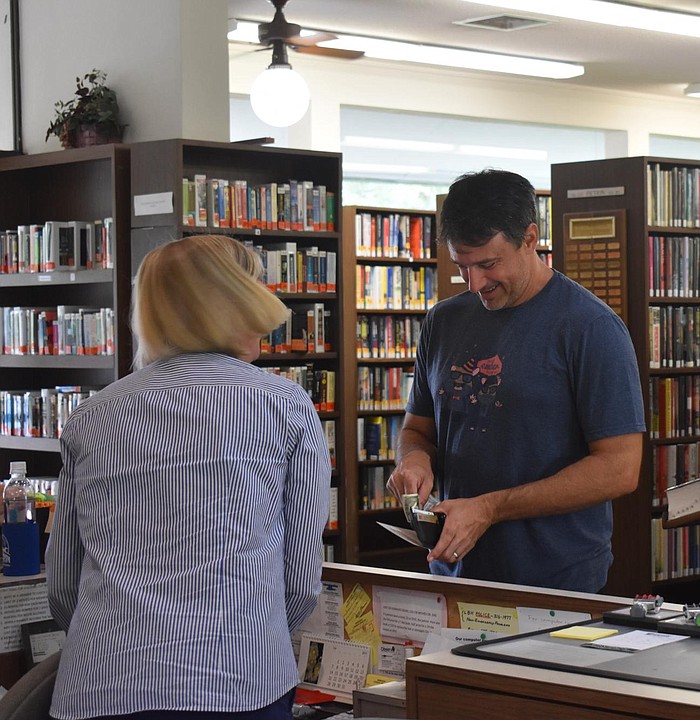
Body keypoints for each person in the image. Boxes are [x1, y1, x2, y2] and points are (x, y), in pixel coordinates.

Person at [46, 235, 331, 720]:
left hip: (99, 682)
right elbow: (301, 577)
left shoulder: (91, 416)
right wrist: (250, 635)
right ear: (231, 304)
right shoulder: (282, 405)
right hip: (239, 680)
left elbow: (63, 584)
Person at [386, 169, 645, 593]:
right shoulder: (443, 321)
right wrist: (413, 460)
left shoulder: (590, 328)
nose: (475, 283)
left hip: (555, 579)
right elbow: (418, 430)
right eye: (462, 266)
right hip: (454, 569)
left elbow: (619, 469)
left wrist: (490, 508)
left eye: (488, 264)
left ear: (530, 238)